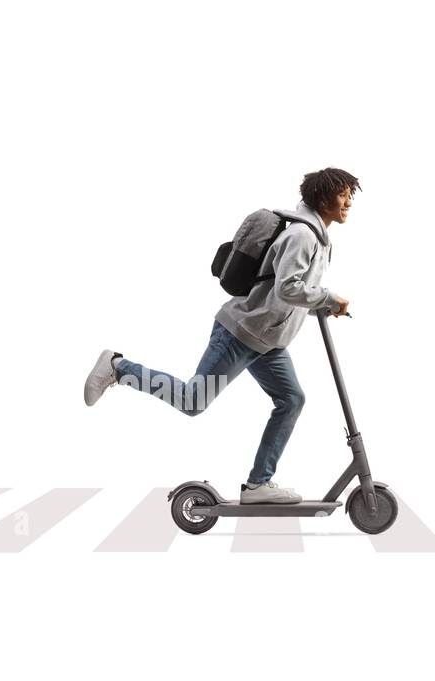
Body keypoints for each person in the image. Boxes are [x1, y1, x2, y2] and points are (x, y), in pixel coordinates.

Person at [83, 168, 358, 503]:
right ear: (322, 196)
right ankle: (118, 367)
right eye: (343, 194)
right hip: (240, 333)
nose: (349, 202)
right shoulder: (303, 236)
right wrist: (328, 298)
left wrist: (319, 305)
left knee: (292, 400)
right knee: (192, 402)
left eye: (350, 195)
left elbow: (287, 290)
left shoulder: (317, 239)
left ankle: (258, 485)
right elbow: (289, 288)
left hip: (268, 341)